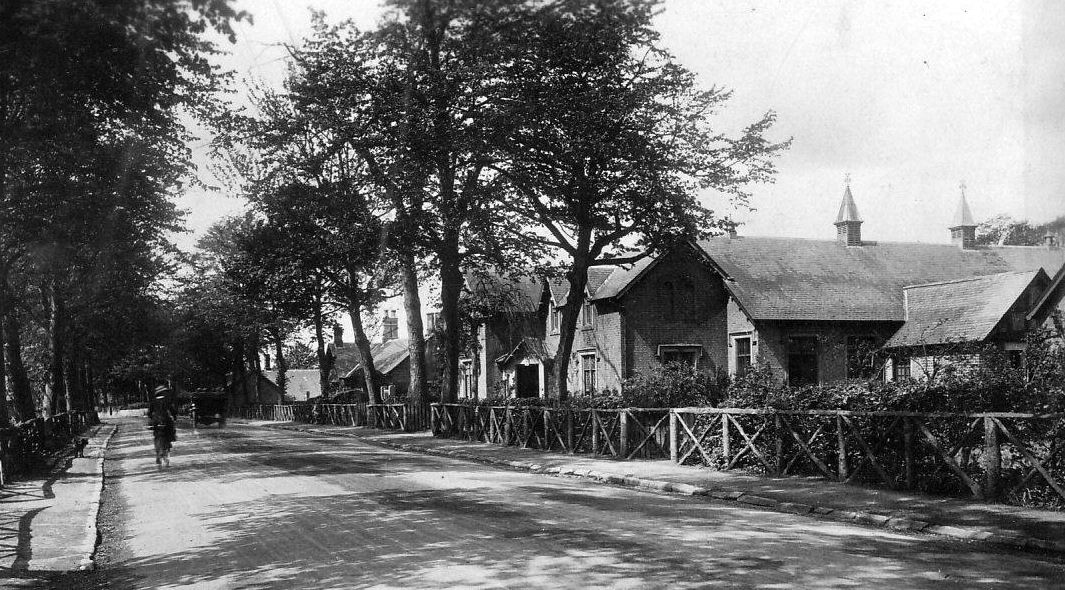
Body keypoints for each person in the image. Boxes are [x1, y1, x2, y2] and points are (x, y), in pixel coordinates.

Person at [149, 385, 177, 467]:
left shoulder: (153, 401)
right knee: (170, 433)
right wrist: (174, 416)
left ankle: (158, 453)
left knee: (156, 436)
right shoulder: (167, 400)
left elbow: (149, 412)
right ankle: (166, 449)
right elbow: (172, 411)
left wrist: (152, 418)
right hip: (166, 420)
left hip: (156, 421)